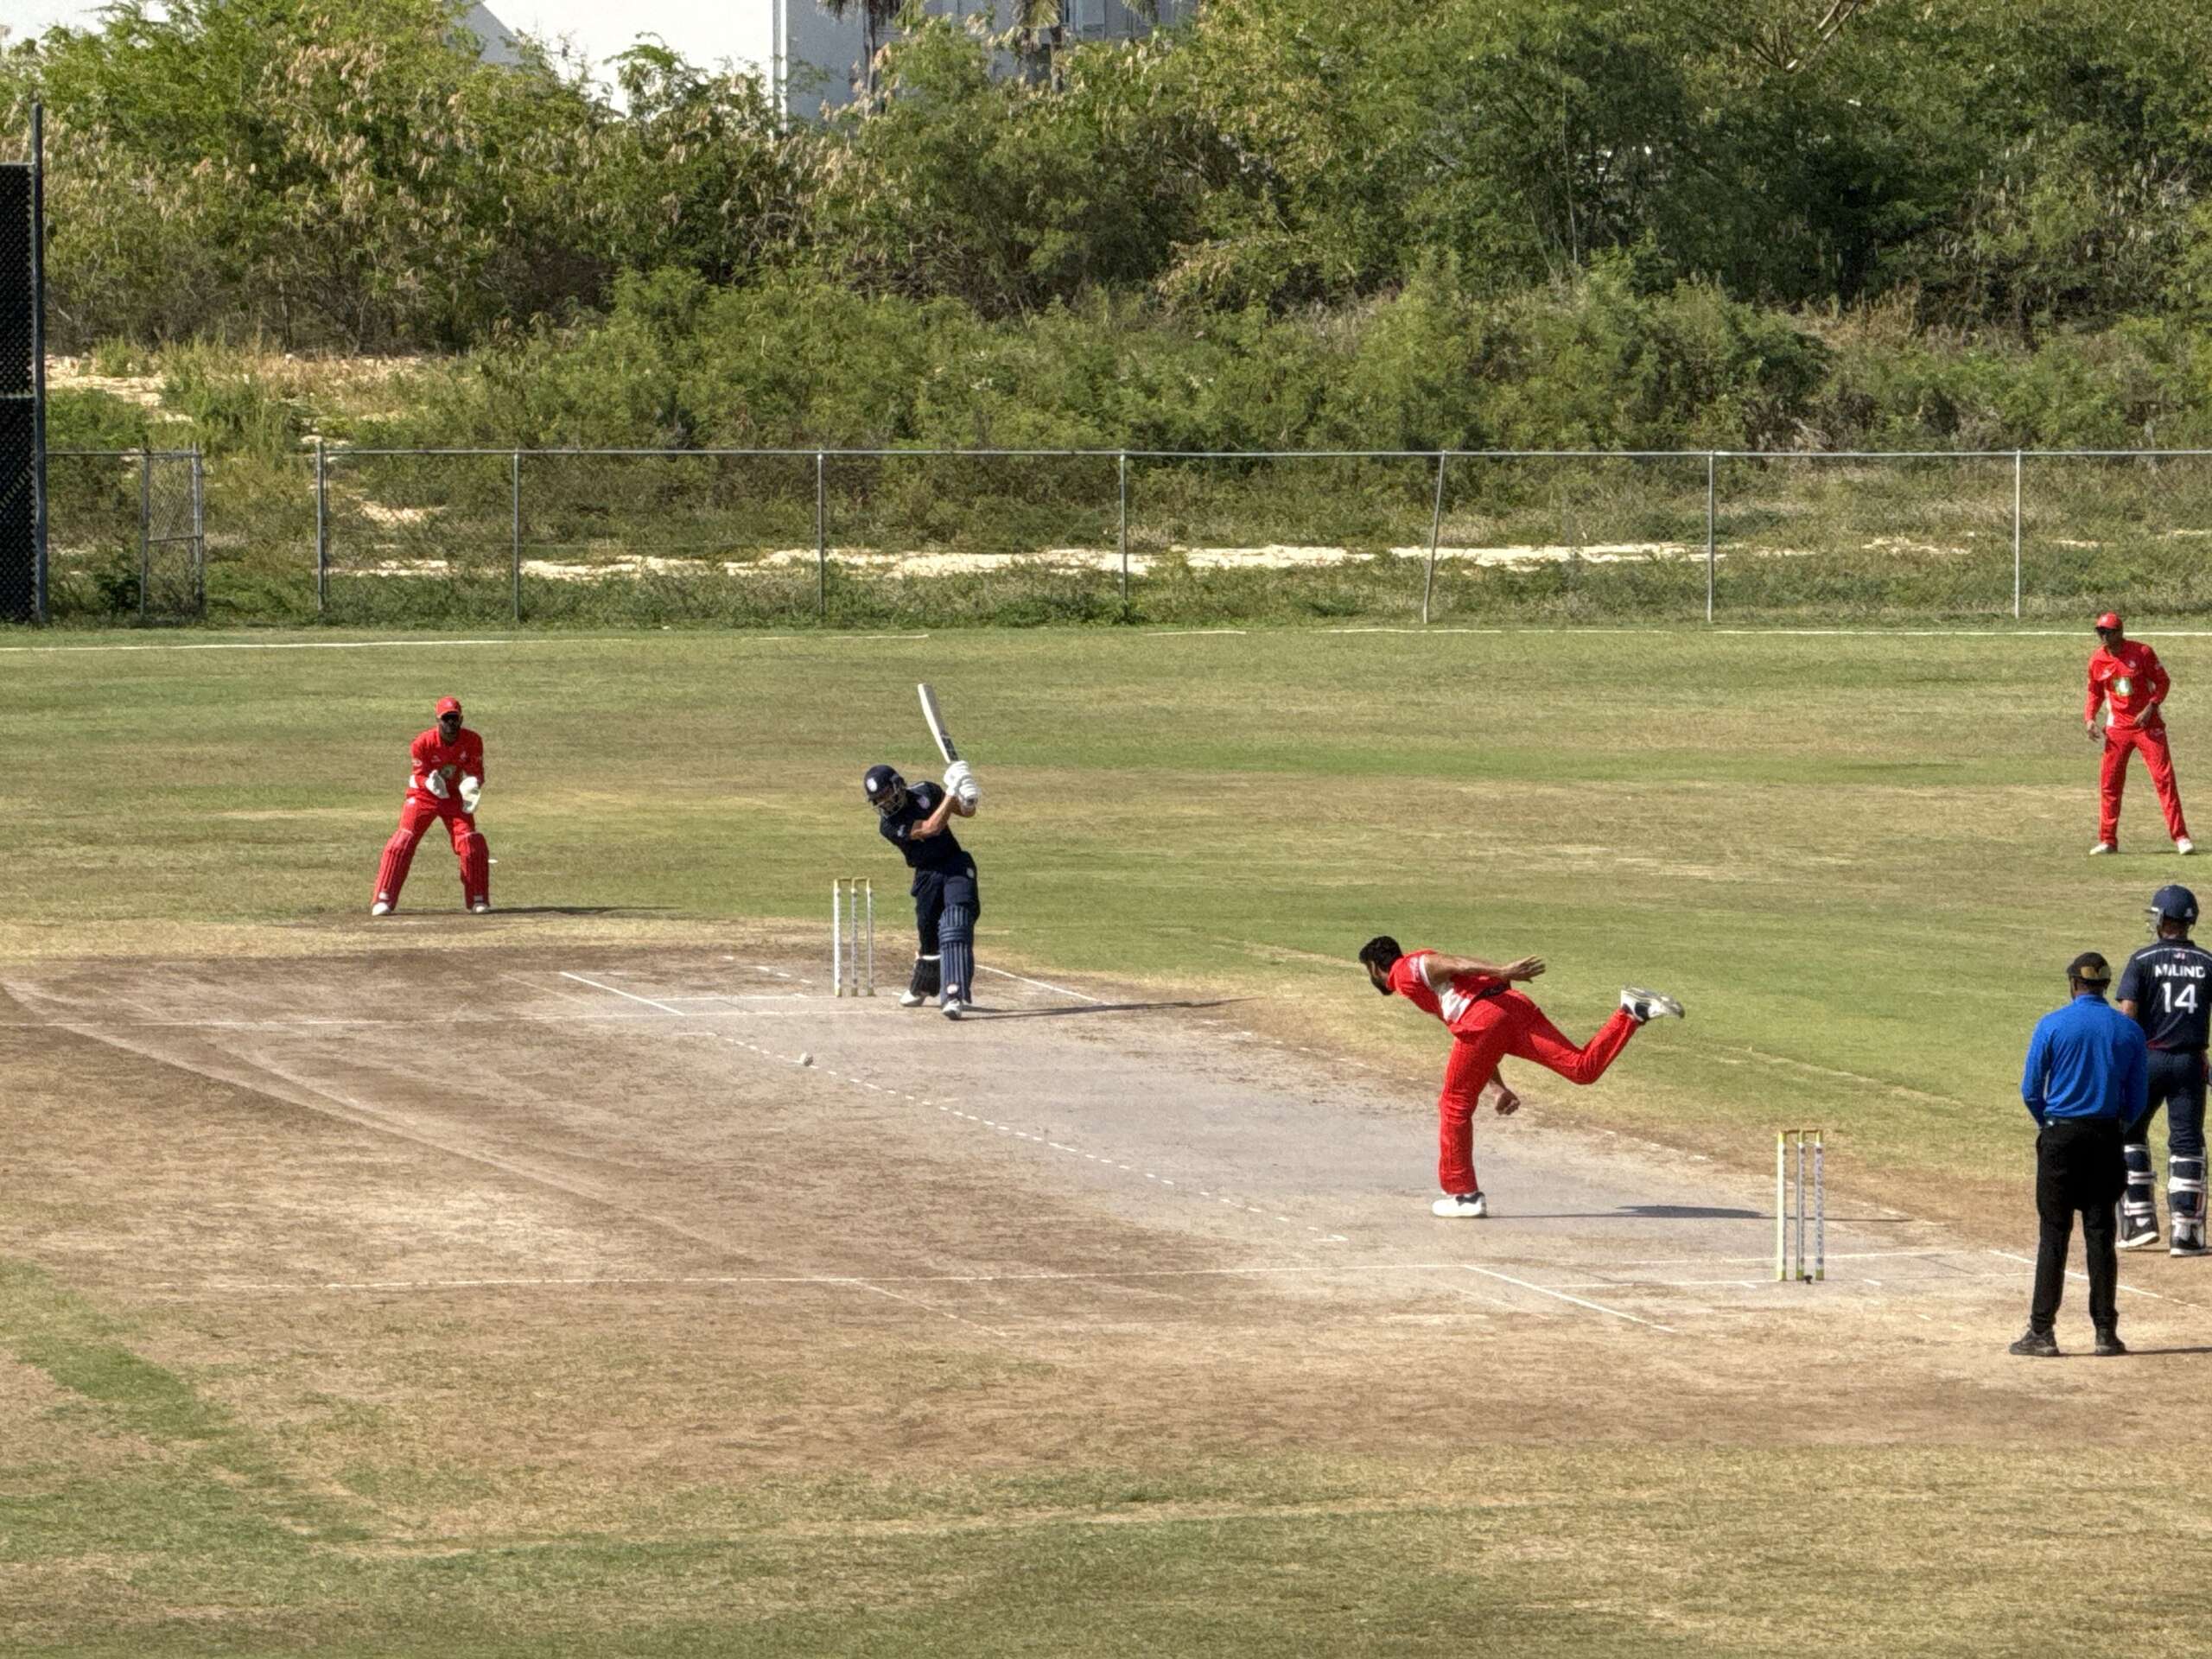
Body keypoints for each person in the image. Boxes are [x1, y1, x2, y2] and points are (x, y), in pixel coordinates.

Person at [1357, 937, 1683, 1217]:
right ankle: (1631, 1013)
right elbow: (1472, 1037)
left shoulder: (1404, 970)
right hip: (1511, 1008)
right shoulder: (1432, 992)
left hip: (1485, 1017)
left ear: (1374, 967)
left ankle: (1463, 1195)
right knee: (1580, 1069)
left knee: (1454, 1103)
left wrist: (1502, 971)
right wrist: (1497, 1087)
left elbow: (1450, 963)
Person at [2012, 951, 2148, 1357]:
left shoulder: (2052, 1024)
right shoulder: (2128, 1031)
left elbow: (2031, 1089)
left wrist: (2048, 1123)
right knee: (2101, 1234)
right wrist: (2117, 1126)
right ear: (2105, 986)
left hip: (2061, 1136)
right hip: (2106, 1138)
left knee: (2053, 1235)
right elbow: (2137, 1098)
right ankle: (2106, 1332)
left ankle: (2042, 1331)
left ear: (2074, 984)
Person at [2114, 884, 2212, 1255]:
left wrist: (2121, 1065)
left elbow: (2127, 1015)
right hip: (2190, 1062)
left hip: (2148, 1060)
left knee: (2129, 1132)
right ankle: (2186, 1233)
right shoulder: (2207, 962)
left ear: (2162, 919)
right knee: (2187, 1141)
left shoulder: (2142, 959)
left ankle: (2139, 1222)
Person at [865, 759, 981, 1019]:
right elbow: (931, 828)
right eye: (878, 800)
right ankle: (923, 985)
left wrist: (968, 797)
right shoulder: (889, 826)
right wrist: (952, 790)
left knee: (957, 921)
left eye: (886, 795)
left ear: (898, 785)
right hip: (927, 875)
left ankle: (954, 994)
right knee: (929, 937)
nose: (884, 803)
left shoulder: (926, 791)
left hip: (955, 864)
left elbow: (964, 812)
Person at [372, 696, 490, 916]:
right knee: (403, 841)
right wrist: (429, 783)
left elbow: (476, 772)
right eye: (446, 719)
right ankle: (383, 898)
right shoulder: (422, 743)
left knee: (470, 842)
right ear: (438, 720)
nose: (451, 723)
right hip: (424, 796)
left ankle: (478, 898)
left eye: (454, 718)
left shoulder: (473, 740)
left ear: (461, 719)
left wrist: (472, 786)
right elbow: (418, 775)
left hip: (453, 797)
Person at [2086, 612, 2192, 856]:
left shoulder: (2142, 652)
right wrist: (2090, 717)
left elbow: (2163, 682)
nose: (2103, 636)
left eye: (2107, 632)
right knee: (2110, 784)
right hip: (2117, 729)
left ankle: (2181, 837)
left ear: (2119, 632)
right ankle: (2108, 840)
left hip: (2148, 727)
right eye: (2100, 632)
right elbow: (2094, 691)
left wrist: (2151, 706)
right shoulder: (2097, 660)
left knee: (2164, 780)